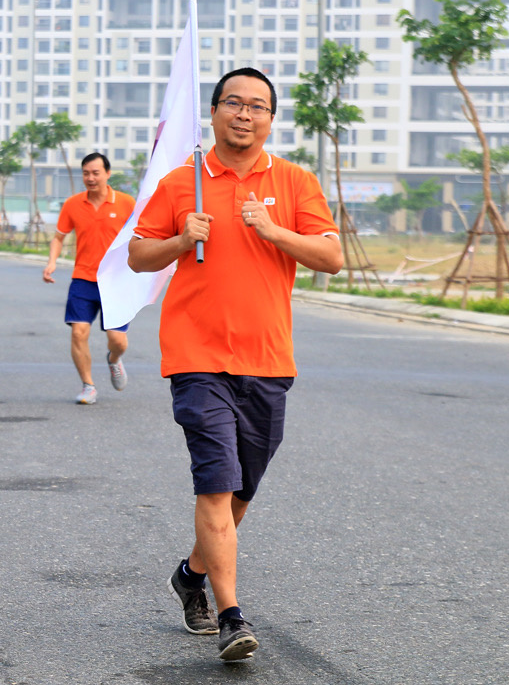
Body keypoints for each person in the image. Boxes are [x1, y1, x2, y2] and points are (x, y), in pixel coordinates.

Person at [127, 68, 343, 661]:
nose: (243, 114)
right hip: (197, 359)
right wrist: (179, 240)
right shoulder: (182, 183)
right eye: (232, 103)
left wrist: (272, 229)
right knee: (217, 485)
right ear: (215, 111)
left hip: (267, 359)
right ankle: (231, 616)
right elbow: (138, 254)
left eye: (256, 106)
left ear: (271, 118)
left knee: (244, 487)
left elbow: (331, 256)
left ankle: (191, 573)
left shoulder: (295, 182)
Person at [43, 153, 136, 405]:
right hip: (83, 278)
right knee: (78, 333)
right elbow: (59, 237)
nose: (90, 178)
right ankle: (88, 385)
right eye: (86, 173)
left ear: (107, 174)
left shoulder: (127, 203)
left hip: (116, 282)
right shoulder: (73, 204)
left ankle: (114, 359)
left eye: (95, 173)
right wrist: (52, 262)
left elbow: (141, 236)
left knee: (117, 340)